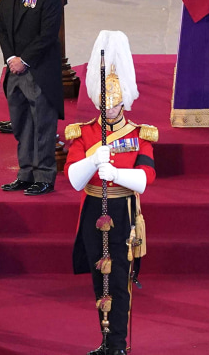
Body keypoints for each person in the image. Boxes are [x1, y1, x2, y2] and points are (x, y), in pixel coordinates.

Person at [63, 30, 157, 355]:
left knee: (118, 280)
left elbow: (146, 178)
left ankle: (118, 344)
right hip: (92, 209)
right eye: (105, 103)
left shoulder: (139, 134)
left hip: (122, 212)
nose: (110, 109)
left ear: (124, 100)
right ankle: (105, 340)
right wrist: (92, 159)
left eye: (115, 103)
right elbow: (74, 179)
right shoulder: (85, 131)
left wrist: (117, 173)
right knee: (97, 278)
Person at [0, 0, 64, 196]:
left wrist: (25, 59)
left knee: (42, 126)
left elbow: (47, 35)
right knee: (21, 124)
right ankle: (25, 174)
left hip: (40, 72)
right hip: (15, 72)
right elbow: (2, 28)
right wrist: (11, 58)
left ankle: (44, 176)